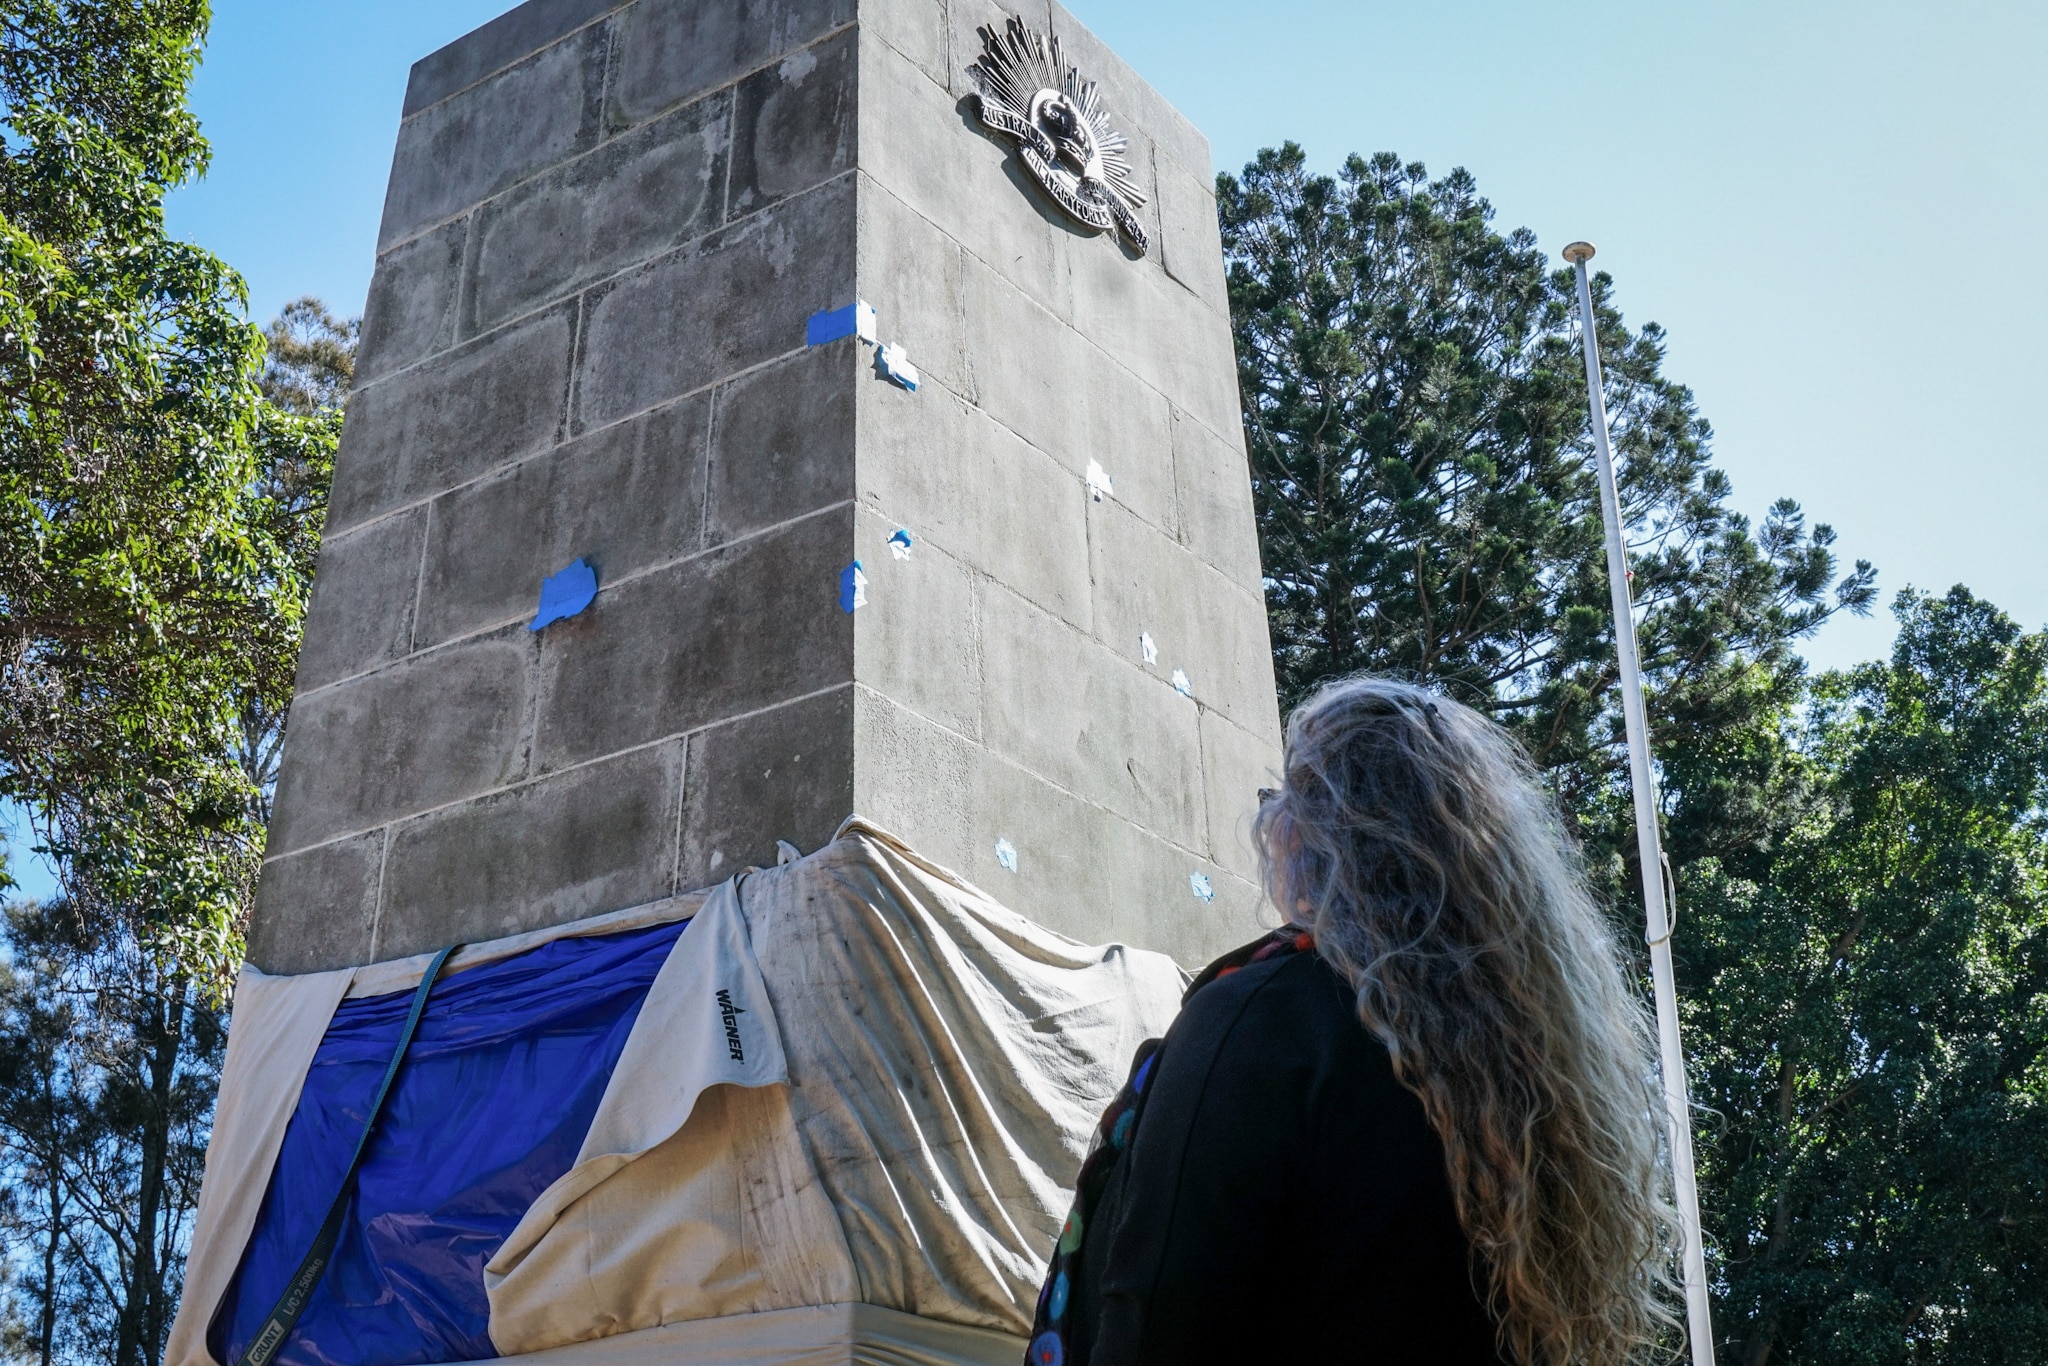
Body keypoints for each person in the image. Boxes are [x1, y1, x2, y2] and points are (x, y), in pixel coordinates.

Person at [1026, 677, 1680, 1366]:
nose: (1269, 818)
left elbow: (1156, 1310)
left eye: (1282, 795)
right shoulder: (1521, 1076)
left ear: (1316, 830)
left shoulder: (1264, 1017)